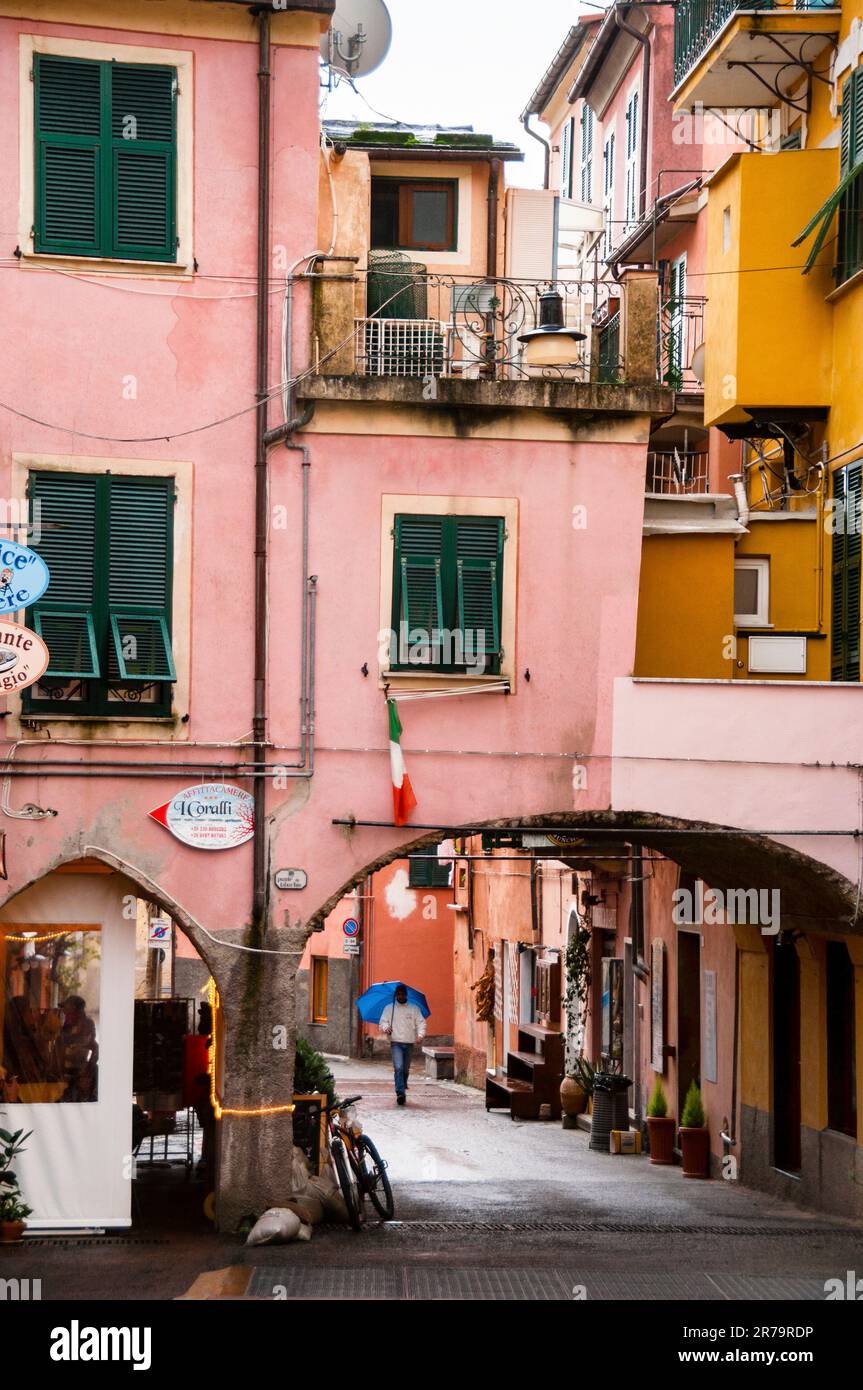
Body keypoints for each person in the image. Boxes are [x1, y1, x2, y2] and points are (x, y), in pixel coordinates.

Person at [379, 984, 426, 1106]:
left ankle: (403, 1083)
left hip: (409, 1043)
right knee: (398, 1067)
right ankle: (400, 1093)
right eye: (398, 994)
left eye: (402, 993)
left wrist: (420, 1035)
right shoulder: (389, 1009)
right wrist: (386, 1028)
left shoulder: (414, 1009)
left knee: (405, 1069)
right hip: (396, 1043)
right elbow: (382, 1022)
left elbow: (421, 1022)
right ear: (396, 995)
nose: (400, 996)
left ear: (406, 994)